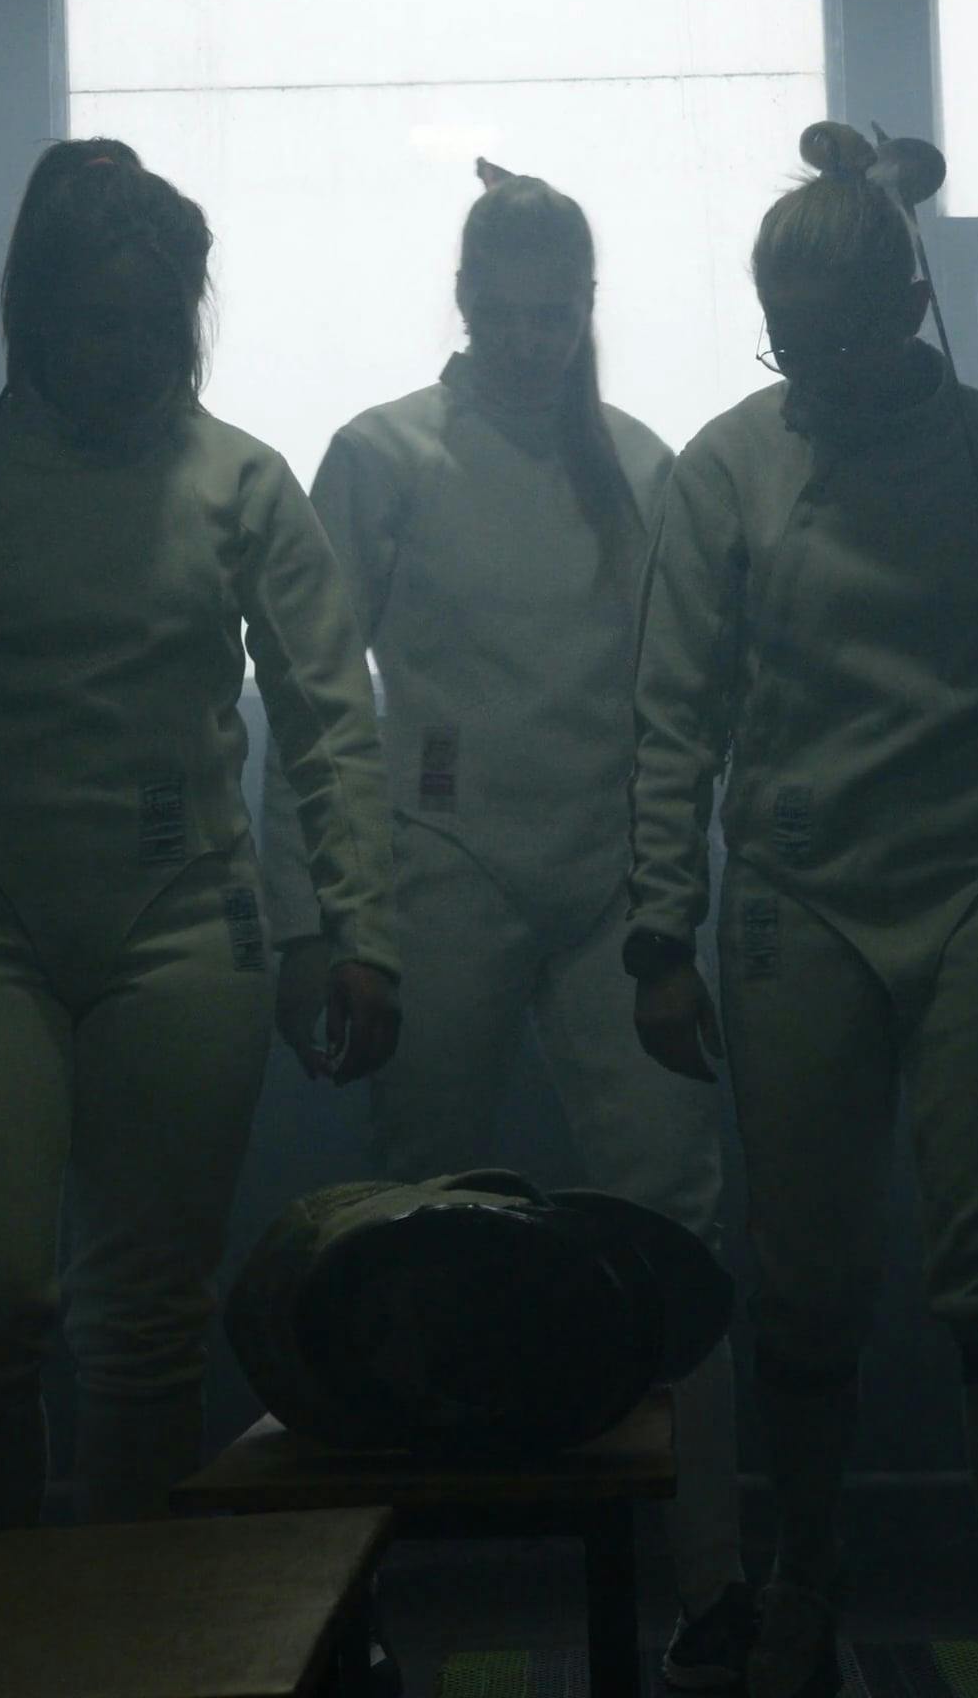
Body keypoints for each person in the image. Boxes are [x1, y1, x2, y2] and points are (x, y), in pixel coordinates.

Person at [0, 138, 406, 1530]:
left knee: (143, 1324)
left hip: (185, 925)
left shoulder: (242, 486)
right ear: (36, 316)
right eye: (94, 320)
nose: (125, 353)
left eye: (151, 322)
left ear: (187, 318)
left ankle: (134, 1654)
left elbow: (330, 724)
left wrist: (360, 934)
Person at [625, 123, 978, 1698]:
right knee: (801, 1282)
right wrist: (660, 931)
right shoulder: (731, 467)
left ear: (907, 315)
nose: (809, 367)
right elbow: (671, 712)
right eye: (784, 338)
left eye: (836, 334)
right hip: (797, 892)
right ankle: (803, 1589)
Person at [256, 163, 754, 1686]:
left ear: (587, 313)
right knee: (408, 1226)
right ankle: (376, 1594)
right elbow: (314, 698)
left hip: (609, 872)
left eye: (561, 315)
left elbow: (683, 707)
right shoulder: (386, 453)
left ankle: (713, 1581)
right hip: (443, 866)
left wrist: (671, 909)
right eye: (510, 314)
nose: (536, 341)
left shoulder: (642, 461)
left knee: (677, 1206)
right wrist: (314, 920)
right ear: (465, 306)